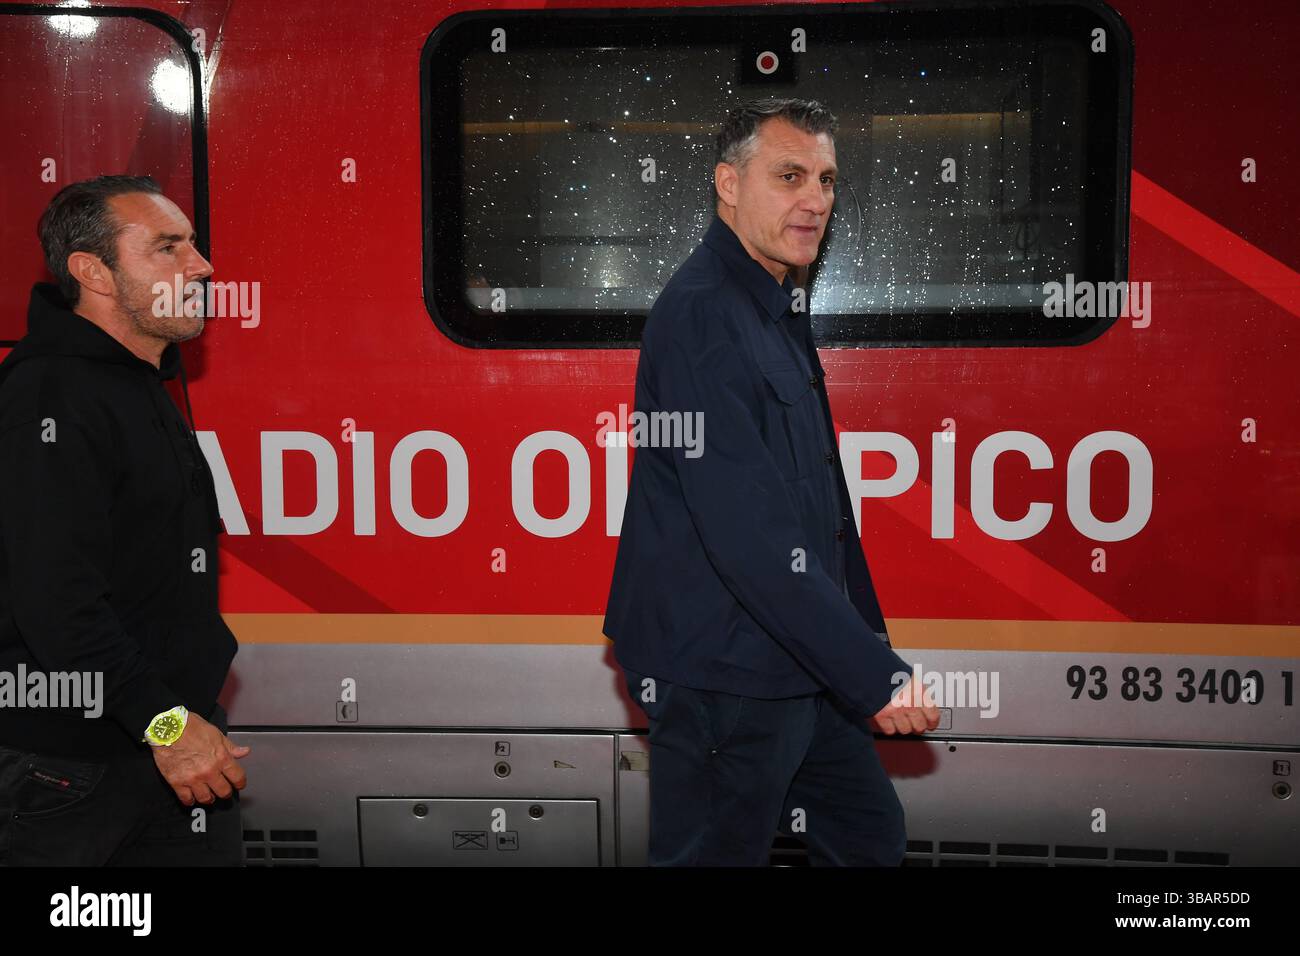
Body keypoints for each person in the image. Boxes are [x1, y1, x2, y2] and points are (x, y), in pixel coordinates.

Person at [603, 98, 939, 866]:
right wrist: (873, 675)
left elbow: (822, 505)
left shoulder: (773, 304)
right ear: (729, 183)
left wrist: (864, 645)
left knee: (866, 836)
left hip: (793, 659)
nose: (815, 198)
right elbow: (749, 536)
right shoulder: (704, 317)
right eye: (789, 175)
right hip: (723, 669)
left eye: (825, 179)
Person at [0, 175, 248, 865]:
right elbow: (56, 606)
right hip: (73, 770)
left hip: (159, 748)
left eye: (193, 245)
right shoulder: (51, 397)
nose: (200, 266)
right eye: (167, 247)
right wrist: (167, 725)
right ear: (93, 272)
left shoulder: (135, 380)